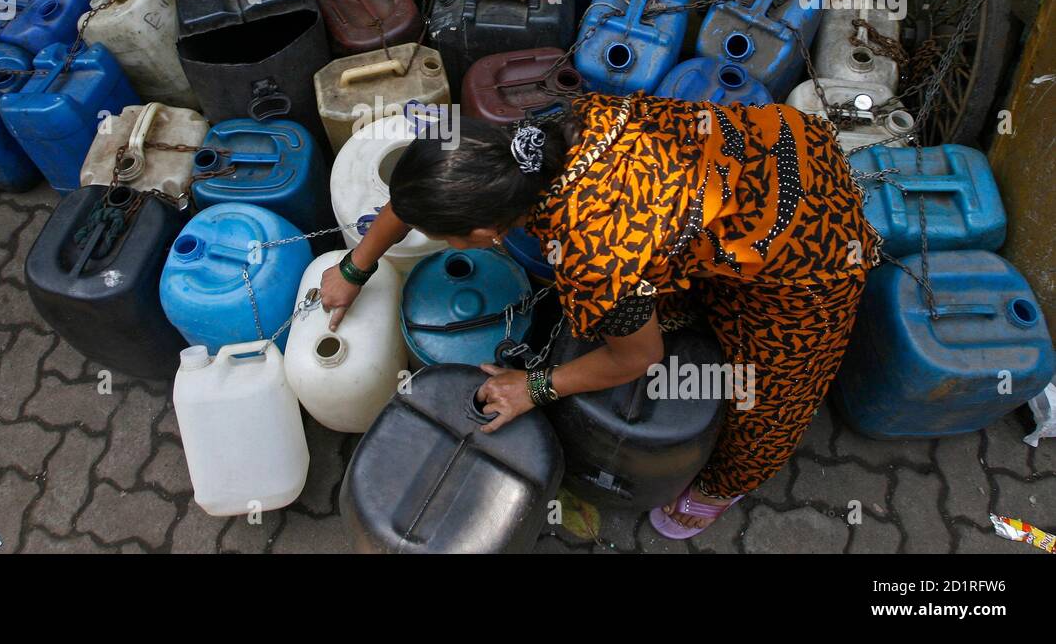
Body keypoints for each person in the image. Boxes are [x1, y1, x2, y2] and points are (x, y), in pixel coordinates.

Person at [320, 91, 881, 539]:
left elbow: (639, 358)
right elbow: (420, 193)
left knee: (772, 389)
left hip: (811, 246)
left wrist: (534, 386)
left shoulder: (595, 256)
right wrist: (354, 268)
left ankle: (723, 488)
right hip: (773, 147)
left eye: (444, 238)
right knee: (681, 286)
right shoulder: (534, 138)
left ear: (487, 236)